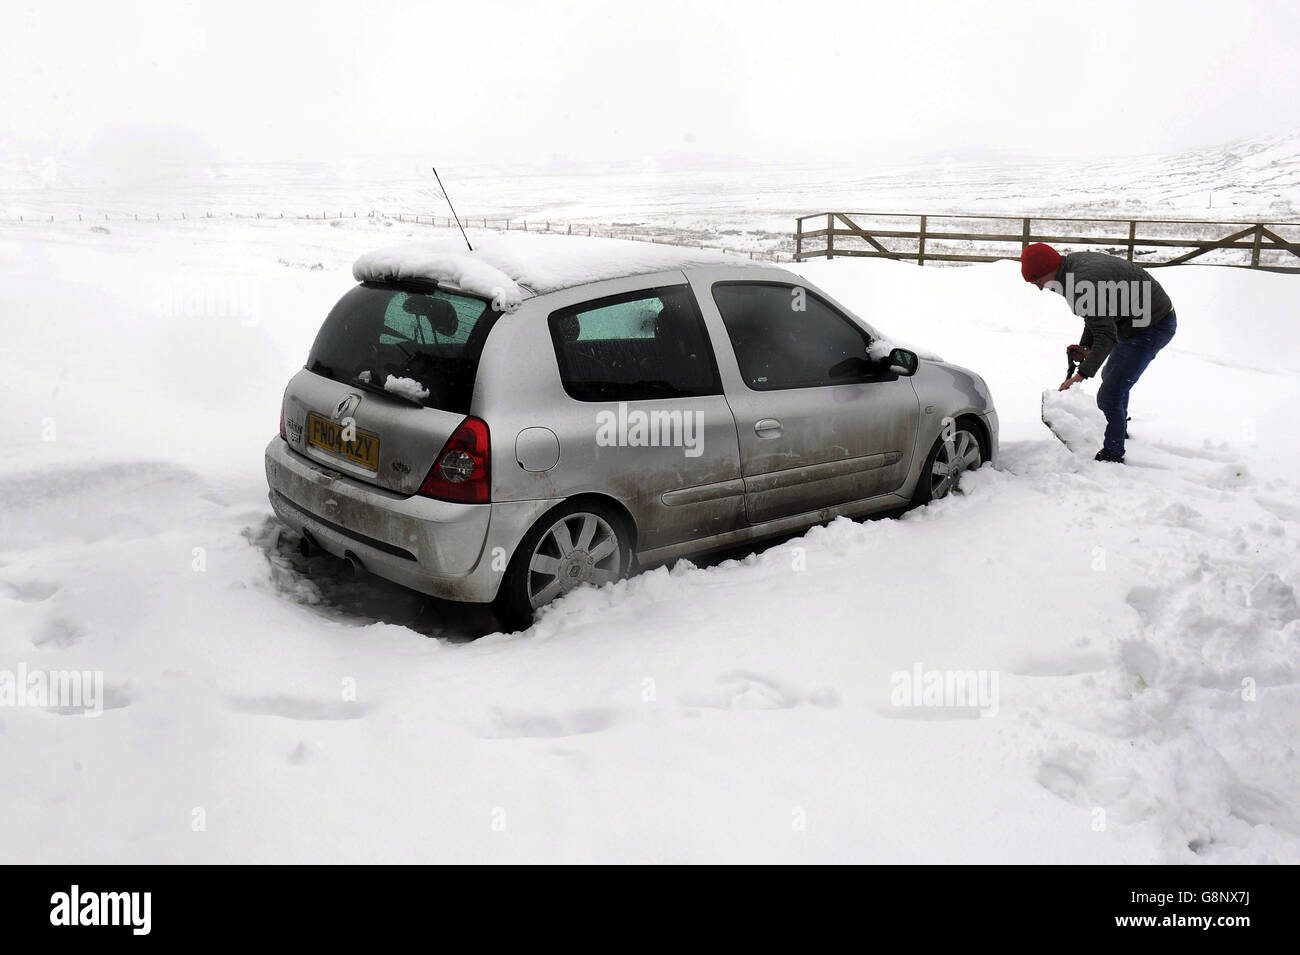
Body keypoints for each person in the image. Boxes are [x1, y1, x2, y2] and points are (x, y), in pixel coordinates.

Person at [1020, 242, 1177, 463]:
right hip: (1133, 321)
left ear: (1047, 269)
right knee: (1113, 380)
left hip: (1152, 325)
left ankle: (1113, 454)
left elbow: (1106, 335)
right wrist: (1086, 346)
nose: (1038, 287)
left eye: (1037, 281)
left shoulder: (1080, 282)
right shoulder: (1071, 268)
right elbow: (1096, 315)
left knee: (1110, 392)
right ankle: (1119, 427)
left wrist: (1080, 375)